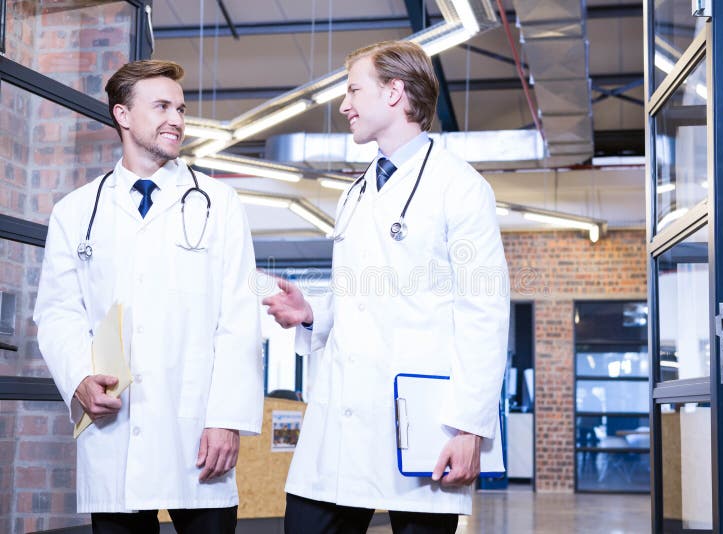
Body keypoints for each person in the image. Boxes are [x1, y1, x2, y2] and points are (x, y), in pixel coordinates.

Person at [264, 41, 509, 534]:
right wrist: (313, 314)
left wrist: (469, 429)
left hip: (422, 423)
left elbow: (484, 310)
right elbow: (360, 296)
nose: (344, 104)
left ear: (395, 92)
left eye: (354, 89)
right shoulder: (355, 193)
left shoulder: (460, 186)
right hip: (341, 418)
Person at [33, 60, 263, 534]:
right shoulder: (76, 211)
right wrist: (78, 378)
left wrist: (227, 418)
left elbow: (239, 319)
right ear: (122, 115)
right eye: (161, 106)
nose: (176, 119)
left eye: (180, 108)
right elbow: (58, 313)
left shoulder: (219, 205)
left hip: (196, 430)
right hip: (115, 428)